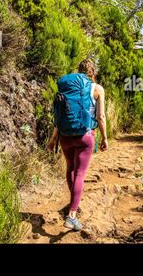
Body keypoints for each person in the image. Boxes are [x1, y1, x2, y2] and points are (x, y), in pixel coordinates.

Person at [47, 59, 108, 231]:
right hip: (85, 136)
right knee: (80, 174)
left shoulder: (68, 88)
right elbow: (101, 116)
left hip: (65, 135)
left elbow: (59, 116)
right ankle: (72, 216)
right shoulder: (97, 88)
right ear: (92, 72)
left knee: (70, 170)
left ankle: (73, 202)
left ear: (79, 71)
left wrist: (52, 140)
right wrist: (104, 138)